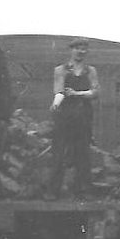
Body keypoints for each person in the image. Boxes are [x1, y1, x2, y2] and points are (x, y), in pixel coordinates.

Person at [48, 37, 100, 198]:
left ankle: (83, 190)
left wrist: (78, 94)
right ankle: (53, 191)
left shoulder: (90, 71)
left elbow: (95, 92)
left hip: (83, 114)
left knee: (83, 152)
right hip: (65, 114)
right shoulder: (61, 70)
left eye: (84, 49)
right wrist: (55, 104)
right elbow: (59, 91)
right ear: (71, 50)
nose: (80, 51)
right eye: (77, 48)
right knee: (59, 152)